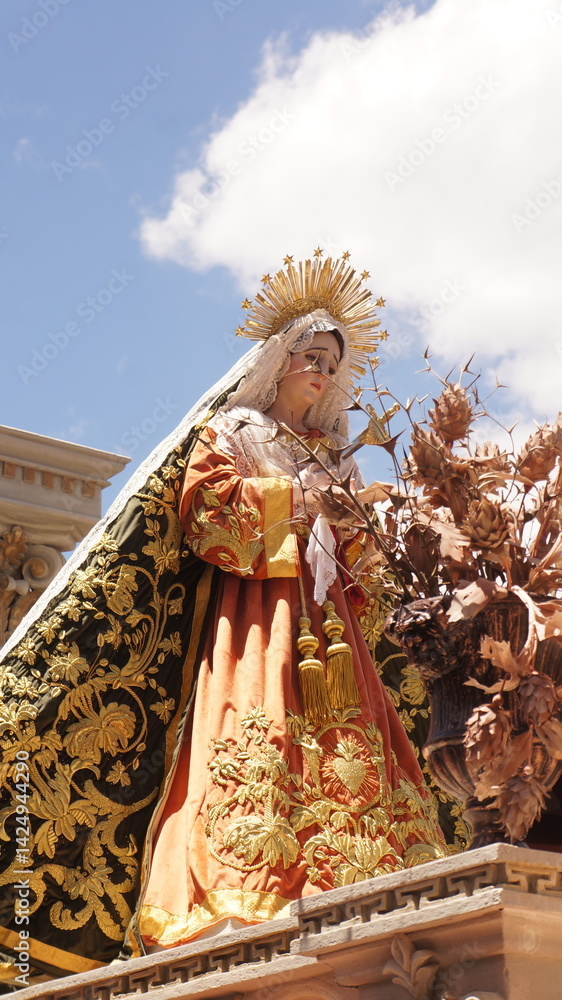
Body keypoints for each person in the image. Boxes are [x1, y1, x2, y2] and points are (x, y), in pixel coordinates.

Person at [0, 253, 445, 986]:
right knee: (255, 736)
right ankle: (247, 882)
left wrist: (353, 524)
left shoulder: (337, 454)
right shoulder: (237, 429)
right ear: (279, 360)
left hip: (332, 633)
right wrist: (294, 507)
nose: (320, 370)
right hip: (258, 625)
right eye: (309, 354)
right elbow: (206, 514)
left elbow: (369, 566)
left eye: (331, 361)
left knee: (359, 751)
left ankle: (367, 872)